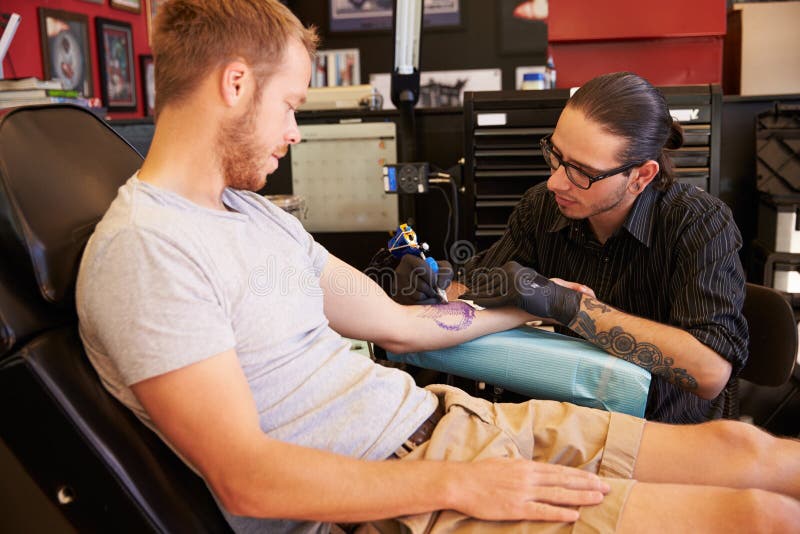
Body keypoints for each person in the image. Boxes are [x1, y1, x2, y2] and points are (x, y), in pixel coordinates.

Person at [75, 1, 800, 533]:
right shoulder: (147, 251)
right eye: (291, 104)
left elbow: (401, 324)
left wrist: (528, 303)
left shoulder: (256, 217)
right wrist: (464, 482)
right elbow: (246, 479)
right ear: (235, 84)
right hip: (402, 489)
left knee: (740, 447)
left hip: (443, 425)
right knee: (757, 520)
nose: (296, 130)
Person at [397, 72, 748, 425]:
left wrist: (571, 306)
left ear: (641, 176)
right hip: (575, 422)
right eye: (555, 155)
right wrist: (434, 290)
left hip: (662, 433)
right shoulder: (543, 208)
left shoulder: (699, 223)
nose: (555, 181)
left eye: (582, 172)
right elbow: (477, 289)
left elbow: (710, 373)